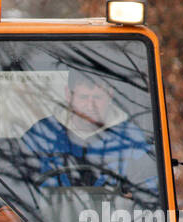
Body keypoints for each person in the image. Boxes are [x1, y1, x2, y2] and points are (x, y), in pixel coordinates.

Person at [21, 70, 156, 191]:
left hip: (114, 217)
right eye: (83, 97)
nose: (90, 106)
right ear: (69, 95)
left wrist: (129, 195)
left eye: (97, 98)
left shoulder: (130, 137)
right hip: (47, 217)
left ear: (110, 95)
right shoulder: (43, 133)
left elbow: (149, 187)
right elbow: (20, 184)